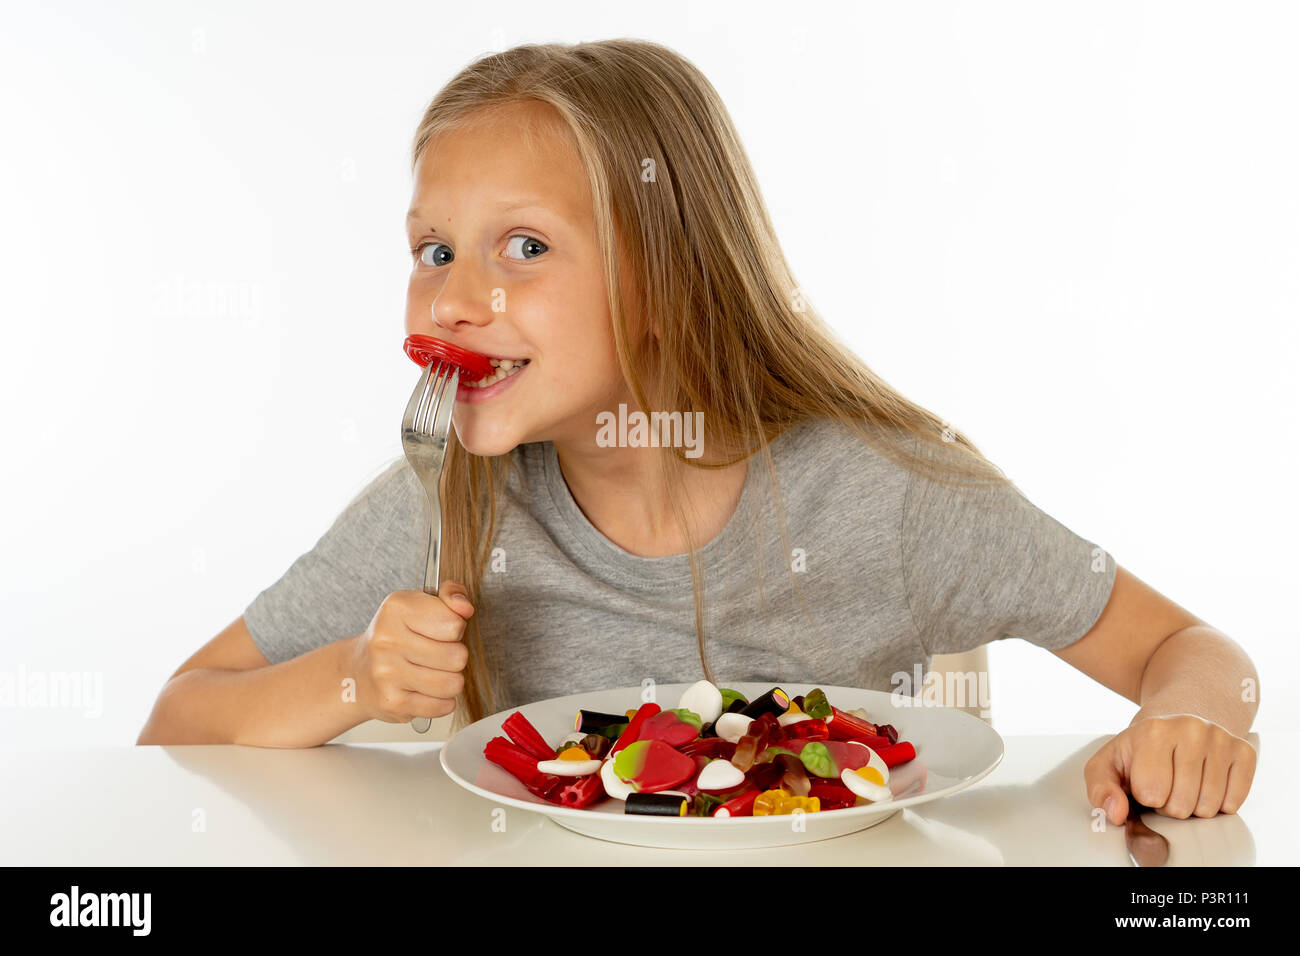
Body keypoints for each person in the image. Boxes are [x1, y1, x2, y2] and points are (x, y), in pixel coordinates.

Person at [138, 39, 1257, 827]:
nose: (450, 299)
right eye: (433, 249)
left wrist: (1191, 717)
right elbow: (175, 717)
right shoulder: (451, 504)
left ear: (670, 281)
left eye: (522, 247)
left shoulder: (885, 496)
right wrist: (353, 680)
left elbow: (1192, 648)